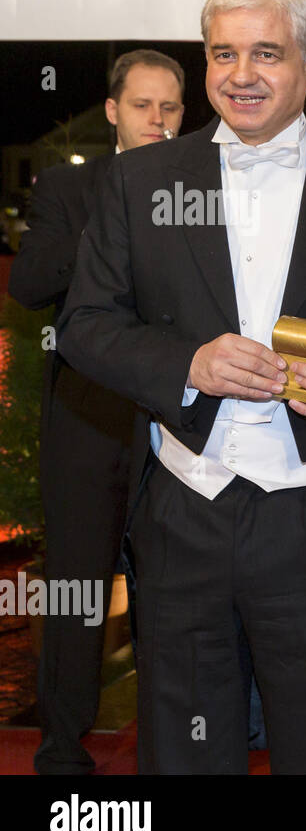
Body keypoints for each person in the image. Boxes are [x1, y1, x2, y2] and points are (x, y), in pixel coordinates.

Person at [58, 0, 306, 774]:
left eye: (266, 52)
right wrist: (187, 361)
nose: (241, 75)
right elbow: (83, 326)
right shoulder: (137, 181)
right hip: (183, 512)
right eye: (223, 54)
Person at [9, 48, 184, 774]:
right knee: (79, 587)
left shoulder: (207, 192)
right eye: (142, 105)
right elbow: (28, 284)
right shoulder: (64, 190)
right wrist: (117, 207)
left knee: (173, 593)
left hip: (178, 423)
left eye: (170, 107)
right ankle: (60, 744)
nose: (156, 118)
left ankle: (176, 739)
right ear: (113, 111)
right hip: (87, 424)